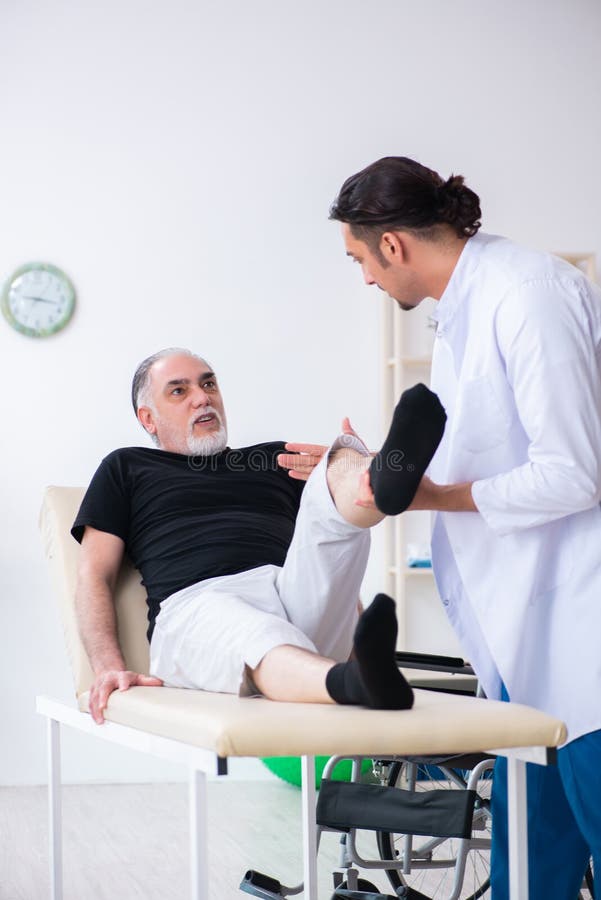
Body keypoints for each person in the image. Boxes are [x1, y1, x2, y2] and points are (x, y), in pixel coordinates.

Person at [329, 155, 601, 899]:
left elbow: (574, 471)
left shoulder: (528, 293)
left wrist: (434, 498)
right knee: (525, 864)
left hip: (581, 633)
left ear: (392, 244)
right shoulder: (463, 311)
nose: (365, 280)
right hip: (522, 642)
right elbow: (474, 452)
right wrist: (364, 463)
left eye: (359, 259)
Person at [73, 347, 445, 728]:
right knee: (256, 631)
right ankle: (354, 682)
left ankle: (379, 475)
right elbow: (93, 574)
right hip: (200, 605)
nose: (203, 397)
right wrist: (108, 669)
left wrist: (359, 630)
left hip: (291, 593)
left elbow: (330, 544)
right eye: (179, 391)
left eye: (208, 383)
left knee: (330, 477)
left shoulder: (273, 458)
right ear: (148, 419)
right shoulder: (127, 467)